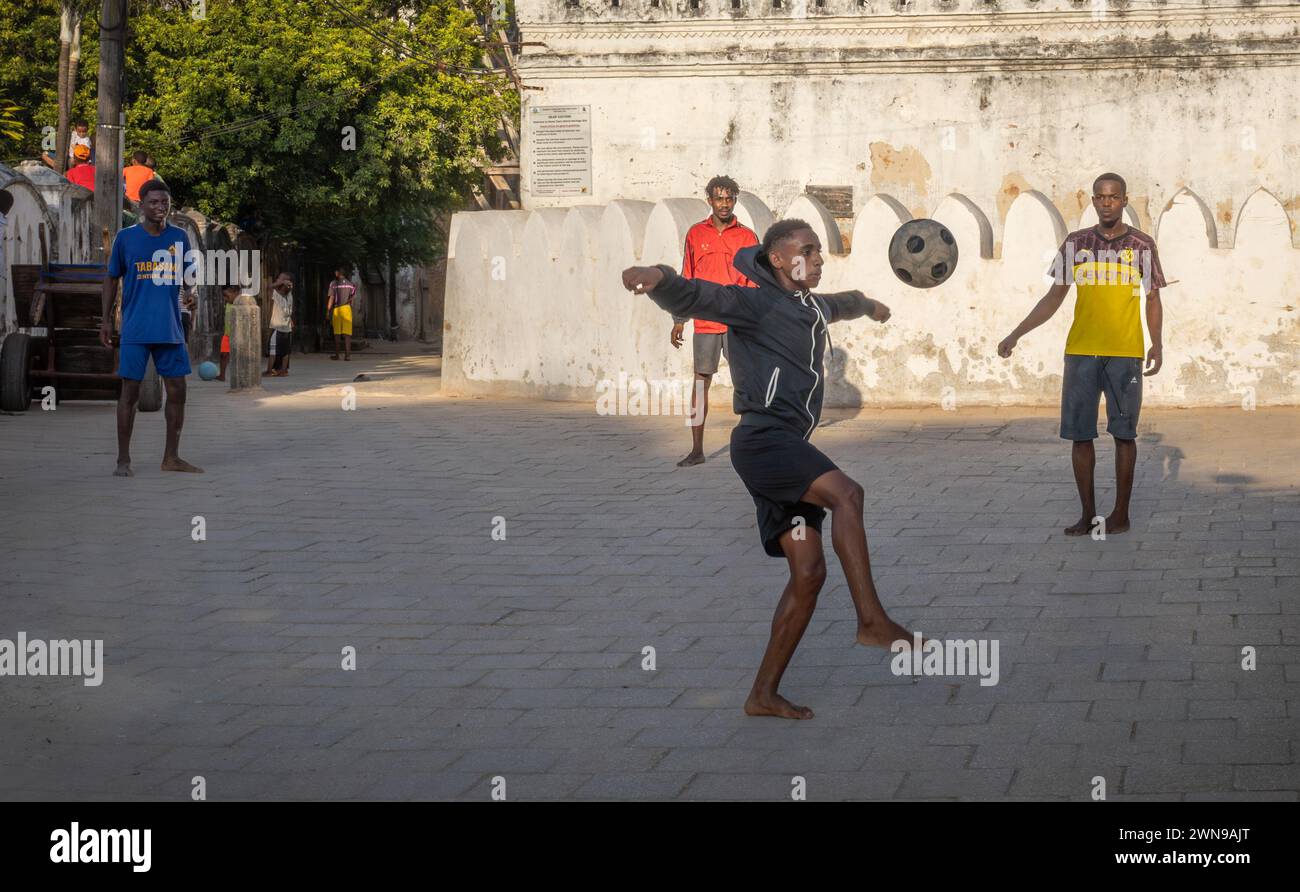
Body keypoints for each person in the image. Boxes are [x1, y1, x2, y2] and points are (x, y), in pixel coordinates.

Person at [622, 219, 918, 720]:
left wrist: (871, 305)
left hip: (785, 446)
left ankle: (762, 694)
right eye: (806, 251)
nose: (818, 258)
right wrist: (657, 275)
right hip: (765, 442)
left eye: (819, 251)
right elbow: (698, 296)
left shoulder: (813, 306)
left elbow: (843, 303)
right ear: (778, 260)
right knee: (848, 494)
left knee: (808, 575)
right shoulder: (753, 303)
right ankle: (872, 619)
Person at [997, 172, 1166, 536]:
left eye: (1114, 197)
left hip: (1125, 354)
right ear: (1093, 201)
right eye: (1100, 197)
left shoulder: (1142, 245)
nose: (1107, 203)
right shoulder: (1076, 243)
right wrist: (1016, 333)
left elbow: (1153, 298)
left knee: (1124, 434)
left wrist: (1157, 343)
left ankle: (1120, 514)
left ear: (1124, 200)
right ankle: (1087, 514)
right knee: (1080, 435)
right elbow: (1054, 297)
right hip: (1081, 352)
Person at [98, 179, 201, 476]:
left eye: (165, 202)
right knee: (130, 391)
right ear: (141, 205)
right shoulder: (126, 238)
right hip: (136, 328)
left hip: (170, 327)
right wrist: (105, 320)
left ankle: (171, 457)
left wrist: (190, 297)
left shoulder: (180, 237)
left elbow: (187, 278)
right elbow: (111, 278)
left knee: (178, 389)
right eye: (154, 202)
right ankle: (123, 460)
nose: (160, 207)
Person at [670, 175, 758, 467]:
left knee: (747, 385)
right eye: (719, 198)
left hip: (738, 323)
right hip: (706, 322)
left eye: (729, 198)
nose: (724, 204)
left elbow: (756, 281)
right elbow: (687, 276)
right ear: (709, 200)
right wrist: (680, 319)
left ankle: (756, 448)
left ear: (735, 200)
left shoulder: (747, 237)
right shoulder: (696, 234)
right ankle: (696, 450)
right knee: (699, 384)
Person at [265, 272, 295, 377]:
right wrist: (285, 282)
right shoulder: (290, 295)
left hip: (277, 327)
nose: (277, 280)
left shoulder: (277, 295)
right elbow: (289, 288)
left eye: (279, 279)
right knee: (285, 351)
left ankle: (269, 371)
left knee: (273, 350)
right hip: (287, 328)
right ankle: (283, 371)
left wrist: (281, 282)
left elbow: (269, 287)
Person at [325, 267, 356, 360]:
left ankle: (337, 355)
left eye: (336, 272)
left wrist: (328, 311)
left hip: (337, 309)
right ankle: (347, 356)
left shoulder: (333, 284)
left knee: (337, 333)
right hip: (347, 309)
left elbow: (331, 298)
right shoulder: (351, 284)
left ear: (338, 273)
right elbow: (352, 299)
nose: (335, 273)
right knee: (347, 334)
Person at [217, 284, 239, 381]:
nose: (225, 298)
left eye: (227, 295)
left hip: (237, 335)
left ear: (235, 292)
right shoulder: (228, 304)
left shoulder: (240, 304)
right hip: (227, 334)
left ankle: (240, 375)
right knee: (223, 355)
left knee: (237, 357)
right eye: (224, 296)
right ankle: (222, 375)